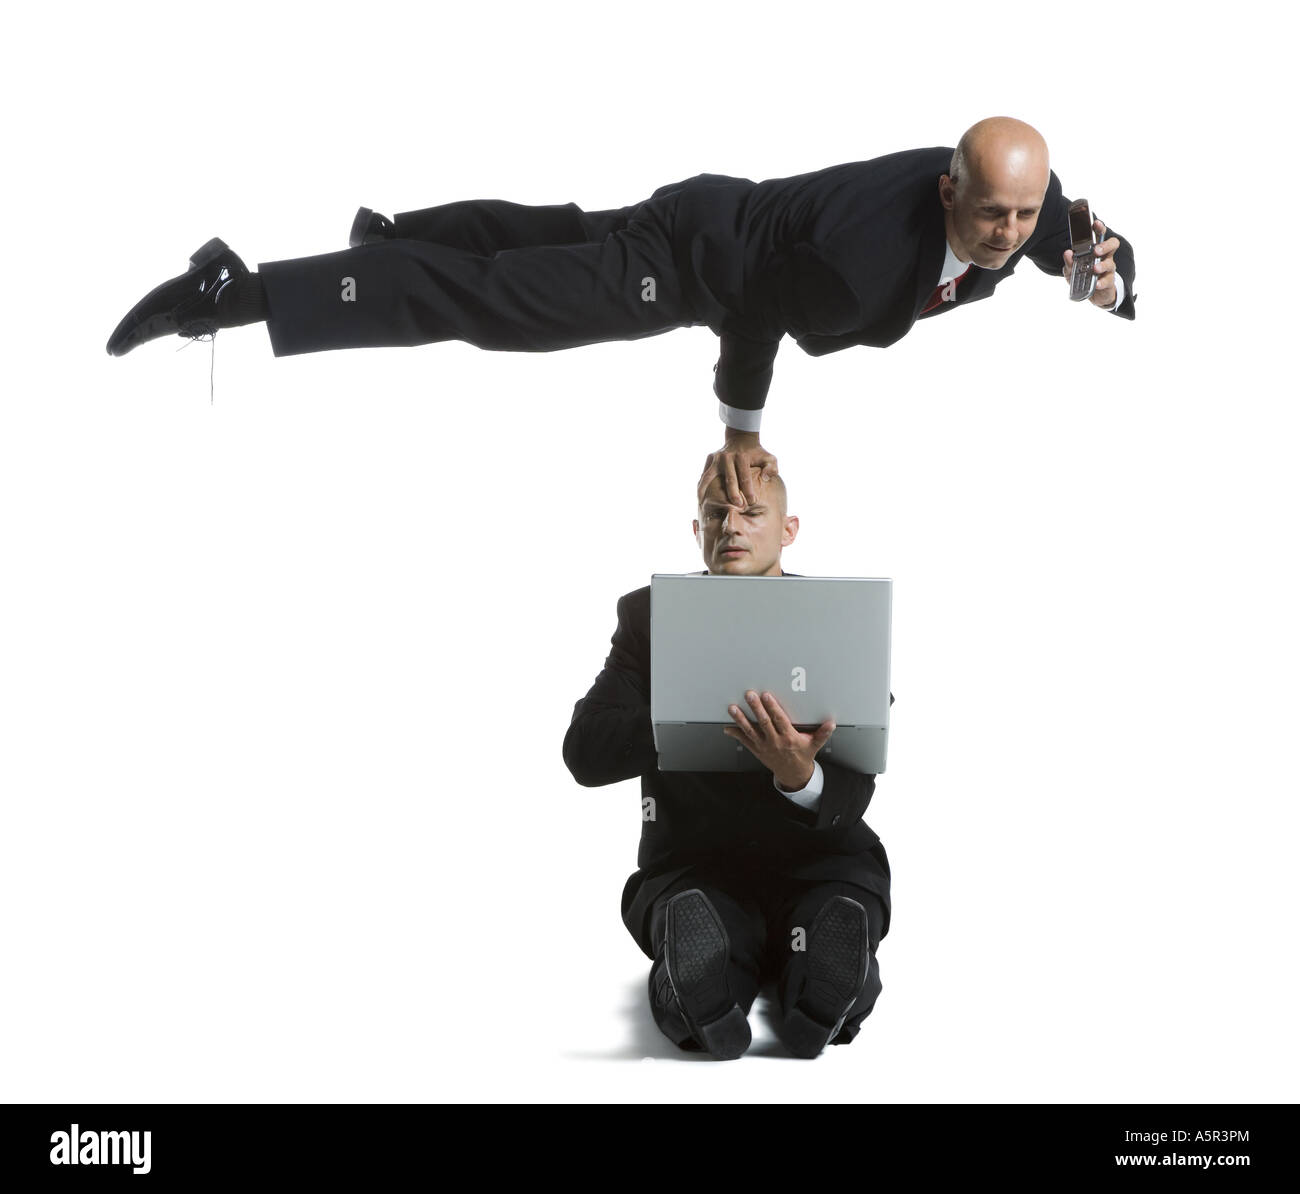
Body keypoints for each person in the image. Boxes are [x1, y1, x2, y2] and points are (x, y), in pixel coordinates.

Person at [106, 116, 1136, 509]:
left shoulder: (1028, 207)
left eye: (1025, 215)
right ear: (949, 191)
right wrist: (742, 433)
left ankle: (393, 237)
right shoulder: (863, 260)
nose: (1009, 233)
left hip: (712, 206)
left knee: (553, 239)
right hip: (703, 263)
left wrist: (1107, 280)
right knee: (500, 303)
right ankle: (235, 292)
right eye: (991, 212)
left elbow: (1091, 239)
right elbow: (759, 317)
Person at [562, 466, 892, 1059]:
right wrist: (694, 708)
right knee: (701, 927)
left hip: (819, 863)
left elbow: (859, 775)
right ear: (696, 528)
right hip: (699, 867)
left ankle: (825, 995)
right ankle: (701, 996)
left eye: (751, 513)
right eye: (716, 513)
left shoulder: (839, 621)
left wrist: (801, 776)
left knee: (835, 919)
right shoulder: (649, 617)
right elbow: (585, 751)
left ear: (789, 529)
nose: (730, 526)